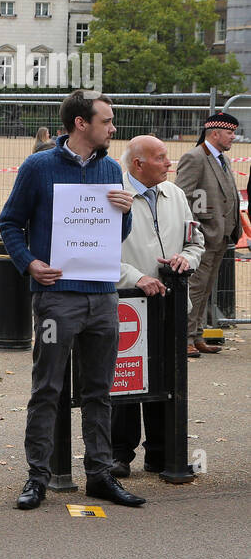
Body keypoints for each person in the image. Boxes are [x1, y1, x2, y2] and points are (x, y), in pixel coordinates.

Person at [0, 90, 144, 510]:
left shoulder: (112, 169)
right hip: (56, 298)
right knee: (47, 388)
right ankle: (38, 478)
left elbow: (115, 234)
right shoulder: (38, 166)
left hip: (101, 296)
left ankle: (99, 474)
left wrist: (125, 211)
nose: (113, 129)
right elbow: (10, 221)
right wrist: (29, 264)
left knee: (100, 390)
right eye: (107, 121)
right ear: (81, 123)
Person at [113, 135, 203, 476]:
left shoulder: (175, 194)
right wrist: (136, 277)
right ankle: (118, 455)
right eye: (162, 157)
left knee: (168, 379)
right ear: (139, 164)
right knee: (126, 379)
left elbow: (196, 241)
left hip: (170, 303)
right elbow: (98, 253)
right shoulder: (116, 196)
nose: (170, 163)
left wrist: (186, 259)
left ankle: (163, 454)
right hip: (128, 304)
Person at [174, 112, 241, 357]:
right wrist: (195, 234)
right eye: (230, 133)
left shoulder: (223, 159)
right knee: (195, 289)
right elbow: (182, 198)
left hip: (221, 236)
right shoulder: (195, 157)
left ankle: (197, 334)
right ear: (215, 133)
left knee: (206, 289)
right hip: (203, 237)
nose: (233, 137)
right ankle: (184, 338)